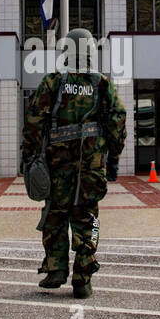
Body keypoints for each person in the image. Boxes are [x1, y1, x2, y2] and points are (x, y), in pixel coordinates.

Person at [21, 28, 127, 299]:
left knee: (55, 215)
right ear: (91, 52)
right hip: (91, 167)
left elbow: (34, 122)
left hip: (57, 166)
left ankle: (56, 270)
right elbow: (117, 122)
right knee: (87, 218)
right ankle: (83, 277)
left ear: (66, 52)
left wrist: (30, 157)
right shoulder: (102, 84)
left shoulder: (52, 82)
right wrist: (113, 158)